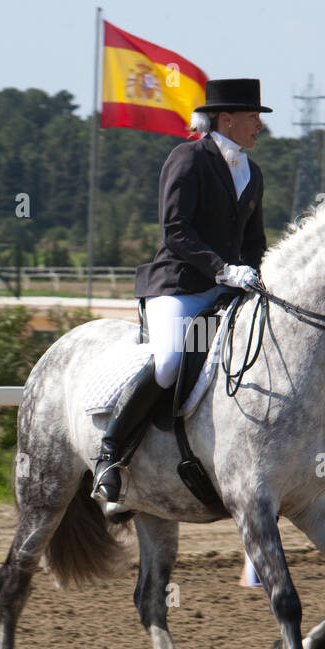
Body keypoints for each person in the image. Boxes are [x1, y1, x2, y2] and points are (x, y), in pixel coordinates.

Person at [92, 77, 271, 504]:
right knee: (171, 361)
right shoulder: (188, 157)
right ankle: (110, 452)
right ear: (226, 119)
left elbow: (255, 241)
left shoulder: (252, 172)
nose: (258, 126)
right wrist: (223, 269)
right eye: (252, 117)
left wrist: (256, 274)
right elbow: (176, 230)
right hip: (178, 286)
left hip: (227, 293)